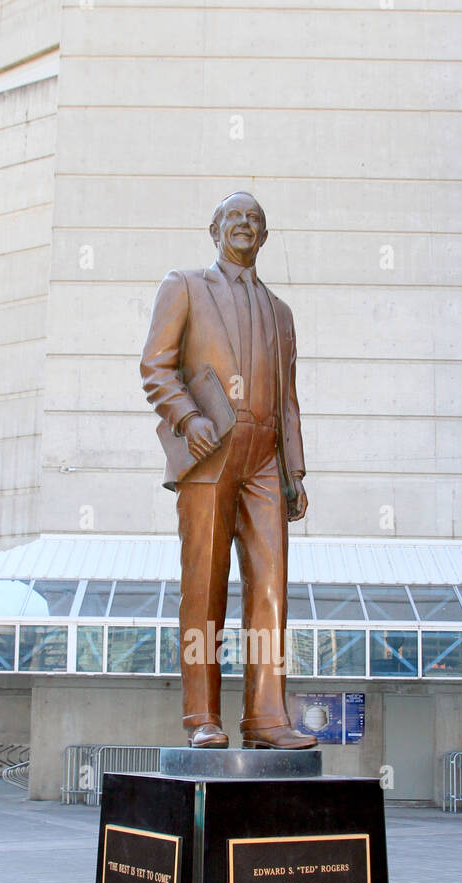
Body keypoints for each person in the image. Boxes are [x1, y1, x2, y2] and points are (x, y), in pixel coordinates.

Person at [140, 190, 317, 751]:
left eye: (256, 220)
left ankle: (266, 715)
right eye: (235, 217)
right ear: (213, 229)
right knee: (205, 586)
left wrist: (295, 470)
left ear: (265, 237)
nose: (245, 225)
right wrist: (186, 416)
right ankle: (202, 716)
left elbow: (288, 397)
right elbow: (155, 366)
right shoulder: (184, 286)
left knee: (270, 591)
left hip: (265, 458)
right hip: (210, 451)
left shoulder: (282, 313)